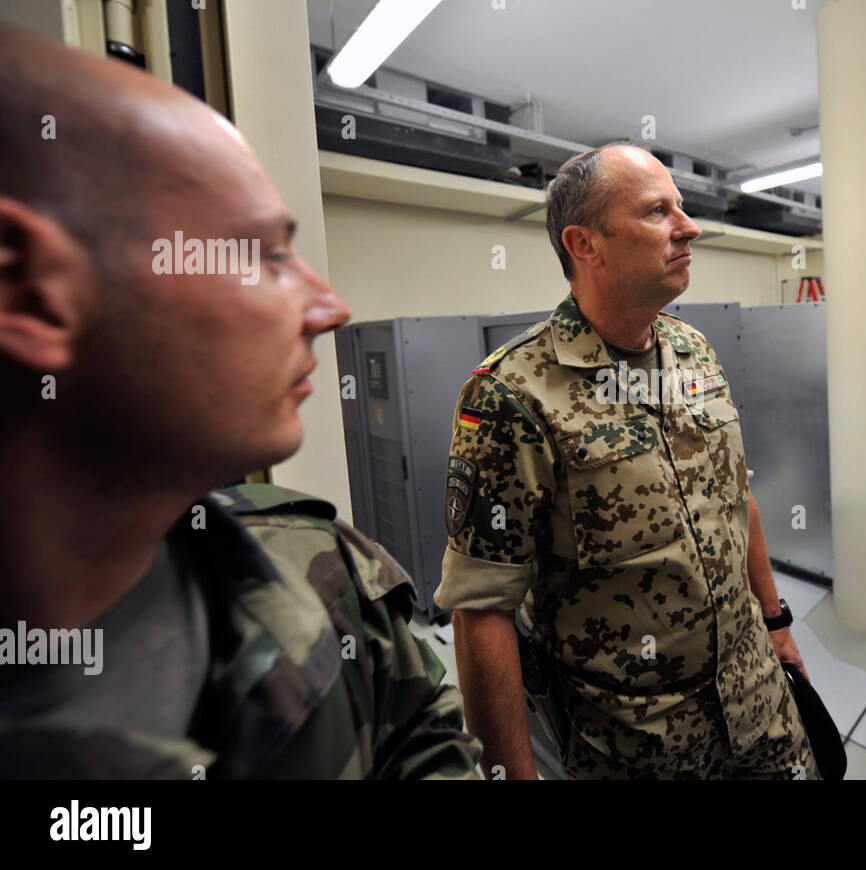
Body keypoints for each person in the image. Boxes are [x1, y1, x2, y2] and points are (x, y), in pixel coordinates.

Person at [0, 25, 480, 779]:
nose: (330, 309)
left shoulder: (329, 574)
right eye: (265, 253)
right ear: (31, 294)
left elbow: (427, 743)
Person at [437, 141, 816, 779]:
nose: (689, 227)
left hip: (760, 704)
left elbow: (737, 497)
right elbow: (482, 610)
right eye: (657, 211)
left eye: (681, 207)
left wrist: (776, 622)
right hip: (639, 747)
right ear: (585, 244)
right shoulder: (512, 395)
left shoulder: (694, 352)